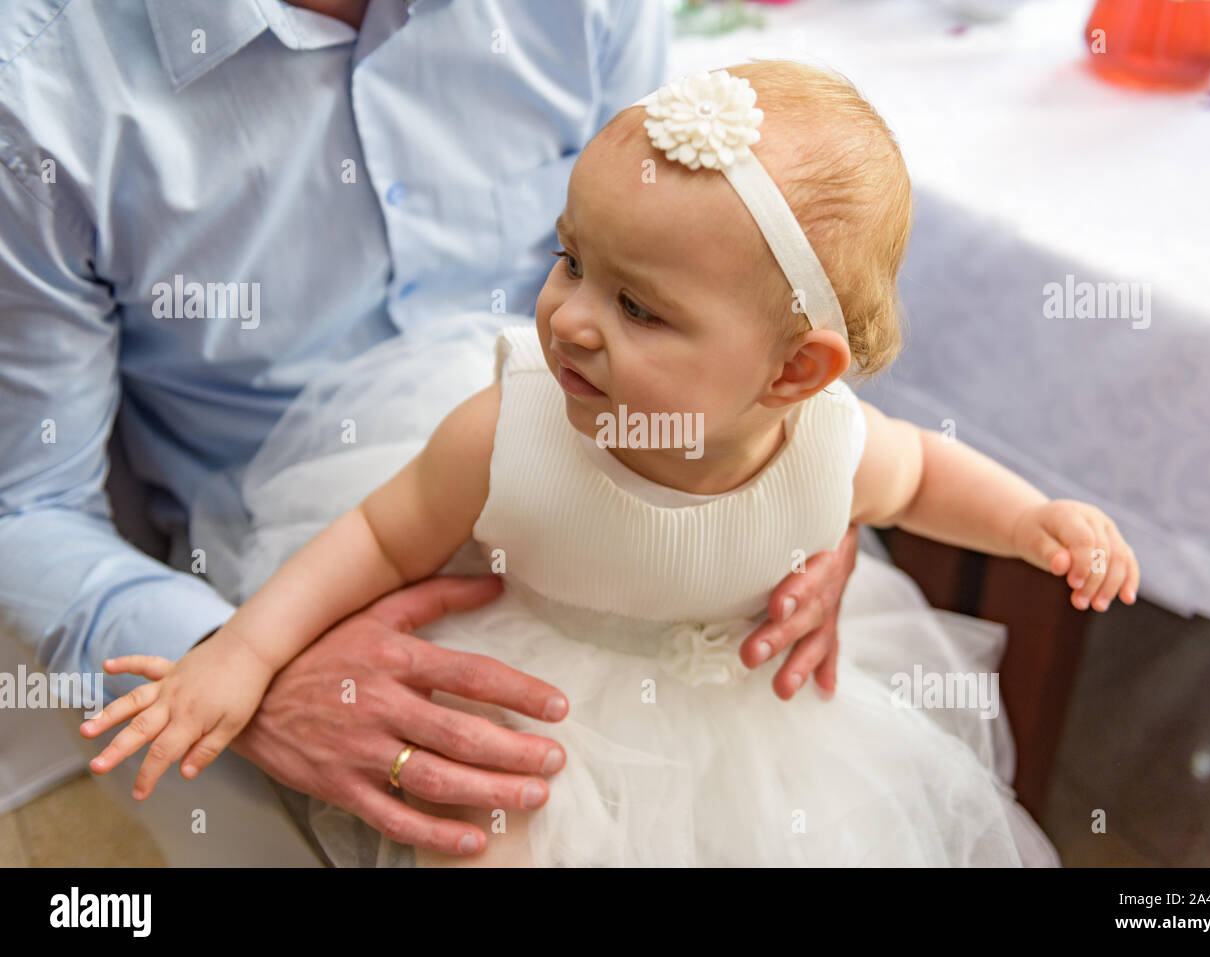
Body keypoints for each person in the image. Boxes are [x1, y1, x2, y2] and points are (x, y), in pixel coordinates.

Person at [82, 61, 1139, 865]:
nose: (570, 319)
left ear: (792, 373)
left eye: (637, 306)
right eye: (570, 260)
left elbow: (921, 479)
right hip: (535, 695)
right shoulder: (511, 434)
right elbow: (375, 534)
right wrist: (242, 653)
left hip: (745, 721)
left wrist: (1033, 523)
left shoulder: (829, 447)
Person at [0, 0, 863, 864]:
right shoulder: (36, 87)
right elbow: (24, 503)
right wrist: (239, 664)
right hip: (299, 579)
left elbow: (723, 260)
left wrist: (807, 500)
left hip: (654, 540)